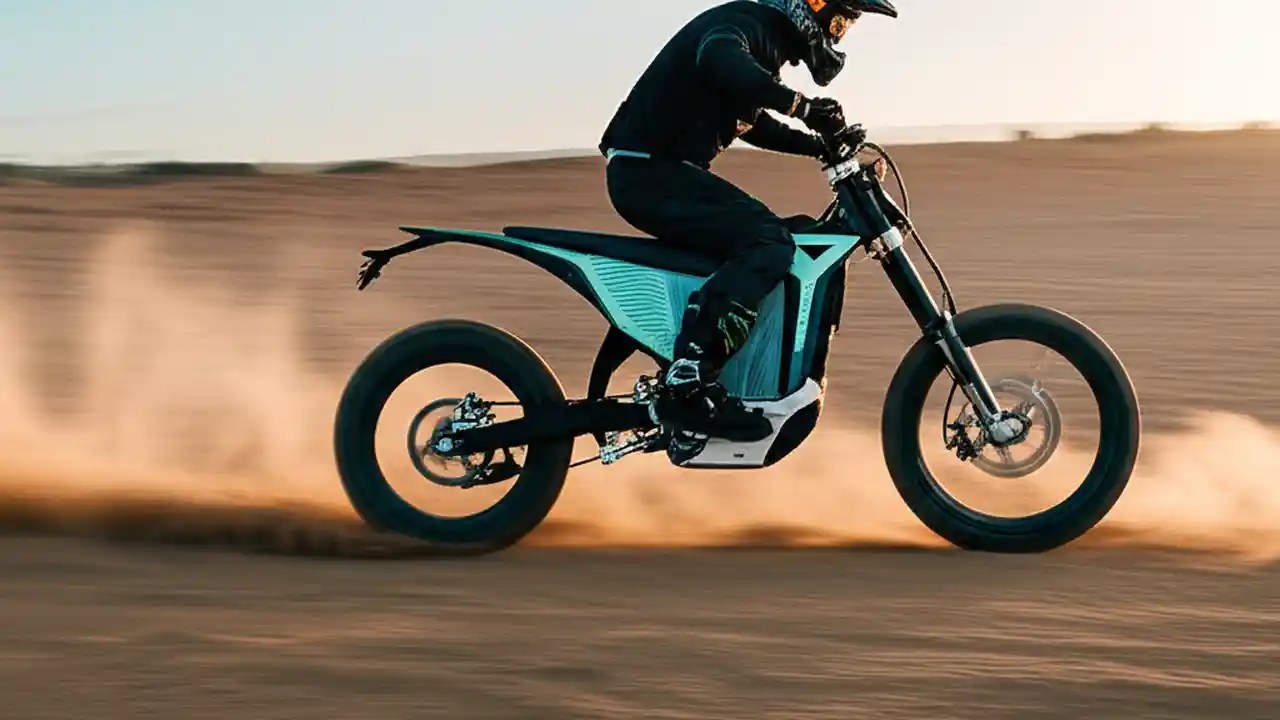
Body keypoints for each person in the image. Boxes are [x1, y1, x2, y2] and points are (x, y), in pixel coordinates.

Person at [599, 0, 898, 453]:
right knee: (767, 241)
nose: (839, 34)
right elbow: (718, 57)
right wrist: (801, 106)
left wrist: (820, 145)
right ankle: (690, 379)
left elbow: (752, 123)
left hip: (657, 172)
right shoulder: (747, 24)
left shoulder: (763, 44)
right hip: (650, 172)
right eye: (841, 20)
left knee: (794, 236)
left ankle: (738, 374)